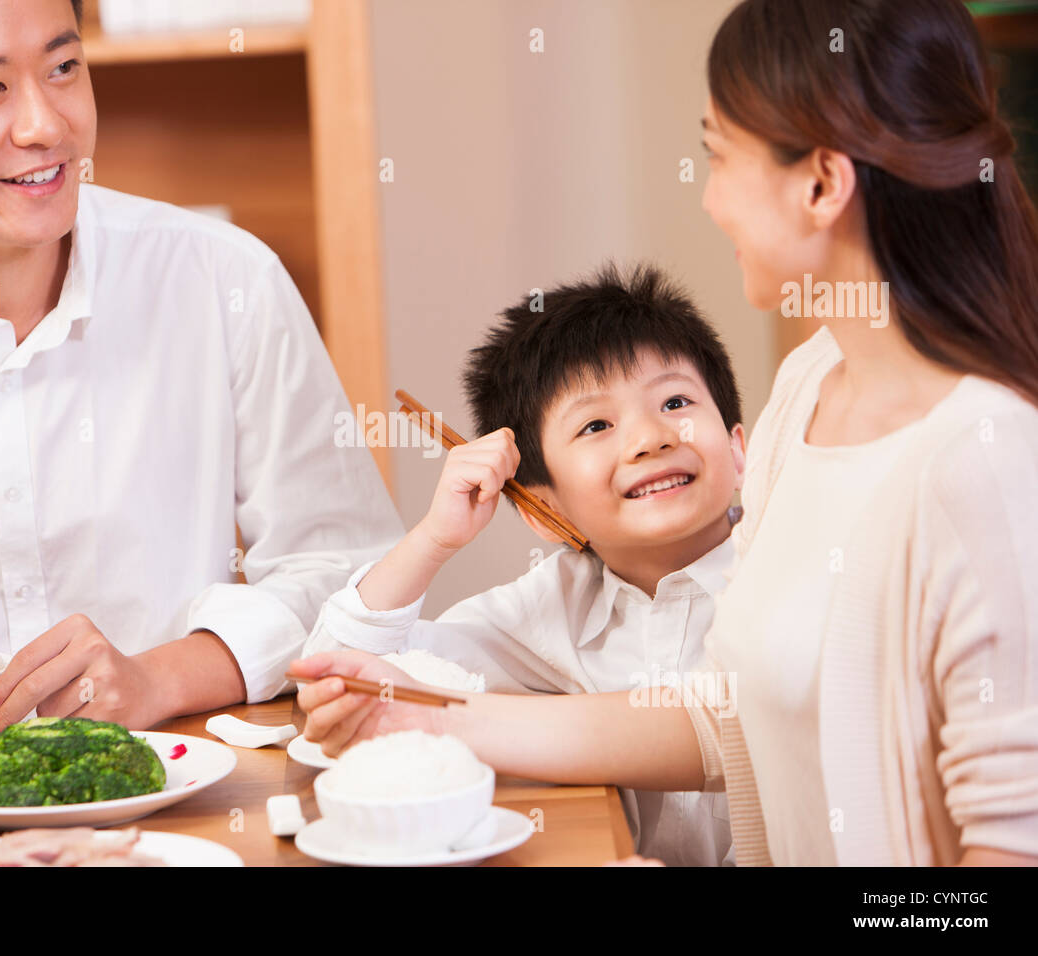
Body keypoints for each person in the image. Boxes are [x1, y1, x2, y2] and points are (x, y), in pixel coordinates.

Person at [293, 0, 1038, 865]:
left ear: (822, 183)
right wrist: (422, 713)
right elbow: (733, 718)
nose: (711, 199)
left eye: (719, 156)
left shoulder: (983, 460)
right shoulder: (807, 389)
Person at [0, 0, 401, 736]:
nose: (45, 126)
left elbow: (356, 585)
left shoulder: (223, 277)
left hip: (170, 802)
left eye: (63, 68)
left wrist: (159, 677)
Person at [303, 263, 744, 865]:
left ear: (738, 449)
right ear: (540, 508)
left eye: (675, 400)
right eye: (596, 424)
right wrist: (435, 538)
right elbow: (348, 667)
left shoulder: (782, 575)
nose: (650, 436)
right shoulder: (552, 602)